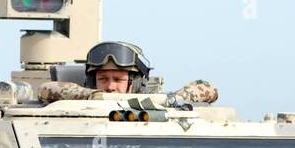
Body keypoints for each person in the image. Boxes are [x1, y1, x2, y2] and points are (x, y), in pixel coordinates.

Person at [38, 41, 219, 105]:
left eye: (118, 79)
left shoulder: (152, 102)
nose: (110, 87)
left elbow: (209, 89)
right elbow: (45, 89)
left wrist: (174, 99)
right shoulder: (84, 99)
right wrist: (94, 97)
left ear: (135, 82)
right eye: (103, 79)